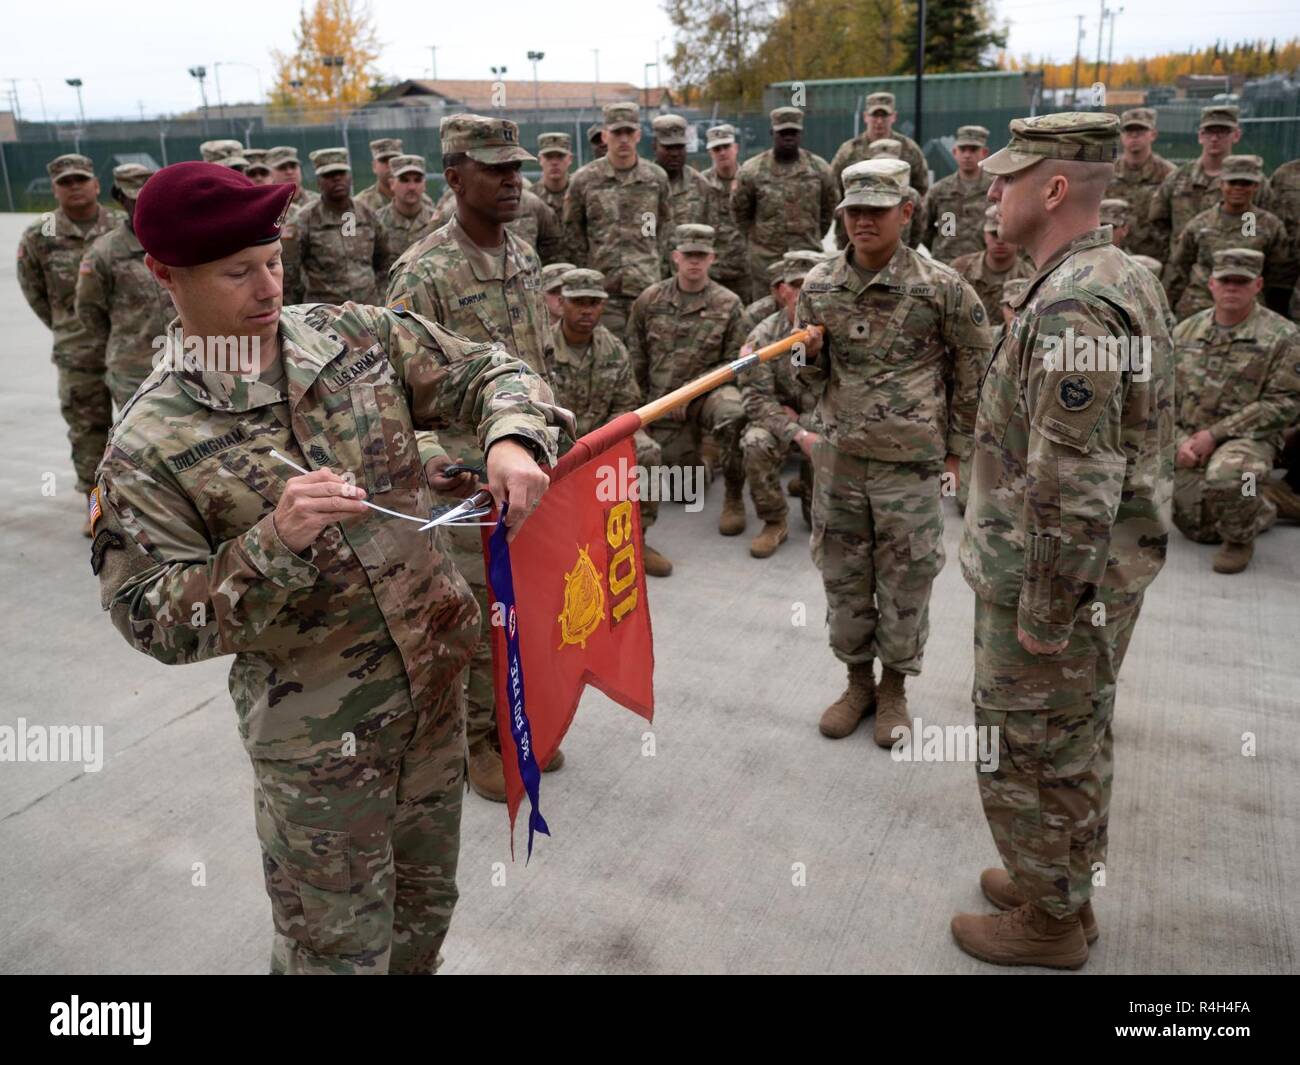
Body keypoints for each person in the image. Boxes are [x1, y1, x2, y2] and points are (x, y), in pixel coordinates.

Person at [91, 160, 567, 975]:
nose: (268, 288)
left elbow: (492, 368)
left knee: (425, 911)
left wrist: (511, 435)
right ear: (163, 275)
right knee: (336, 949)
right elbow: (149, 615)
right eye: (238, 272)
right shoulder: (149, 443)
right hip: (319, 746)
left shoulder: (352, 336)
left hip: (433, 691)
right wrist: (273, 542)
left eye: (273, 260)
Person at [953, 112, 1175, 970]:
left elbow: (1073, 482)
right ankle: (1059, 885)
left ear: (1052, 190)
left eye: (1009, 178)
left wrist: (1046, 608)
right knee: (1074, 735)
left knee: (1029, 744)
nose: (993, 189)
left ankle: (1048, 920)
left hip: (1053, 582)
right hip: (1095, 576)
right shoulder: (1119, 272)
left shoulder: (1076, 301)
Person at [386, 114, 560, 804]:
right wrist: (431, 456)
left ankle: (520, 716)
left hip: (527, 472)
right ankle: (479, 739)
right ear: (454, 178)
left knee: (529, 602)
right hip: (464, 486)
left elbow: (536, 364)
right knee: (480, 612)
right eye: (496, 169)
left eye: (517, 167)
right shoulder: (422, 274)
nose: (514, 180)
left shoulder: (525, 257)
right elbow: (389, 393)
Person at [796, 160, 990, 748]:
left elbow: (975, 372)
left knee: (906, 578)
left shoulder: (942, 287)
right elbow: (810, 381)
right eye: (853, 211)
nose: (863, 221)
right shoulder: (819, 285)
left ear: (906, 213)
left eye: (876, 211)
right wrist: (804, 353)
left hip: (912, 464)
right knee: (843, 574)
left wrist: (957, 454)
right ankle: (857, 682)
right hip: (841, 460)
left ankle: (895, 689)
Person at [1170, 248, 1300, 572]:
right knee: (1196, 527)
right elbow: (1162, 397)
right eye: (1225, 280)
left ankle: (1240, 539)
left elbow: (1285, 404)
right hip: (1190, 437)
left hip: (1248, 440)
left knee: (1232, 476)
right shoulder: (1185, 332)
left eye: (1241, 282)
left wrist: (1215, 436)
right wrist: (1178, 442)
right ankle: (1267, 502)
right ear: (1211, 284)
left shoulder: (1283, 336)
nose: (1232, 288)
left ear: (1257, 285)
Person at [16, 152, 122, 531]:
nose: (74, 187)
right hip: (77, 354)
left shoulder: (121, 224)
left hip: (127, 348)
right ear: (55, 189)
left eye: (81, 179)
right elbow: (33, 291)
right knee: (87, 433)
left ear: (96, 184)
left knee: (137, 432)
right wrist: (65, 327)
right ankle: (95, 510)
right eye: (65, 182)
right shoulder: (41, 232)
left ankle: (141, 507)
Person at [627, 224, 753, 537]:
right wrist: (639, 412)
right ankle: (708, 459)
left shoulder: (729, 304)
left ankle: (734, 495)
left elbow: (735, 364)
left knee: (733, 413)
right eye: (688, 255)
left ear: (712, 258)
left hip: (706, 395)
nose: (694, 261)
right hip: (661, 401)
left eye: (701, 255)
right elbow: (636, 358)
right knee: (684, 490)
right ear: (675, 257)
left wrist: (692, 391)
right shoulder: (650, 299)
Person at [549, 267, 672, 576]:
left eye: (594, 302)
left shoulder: (614, 349)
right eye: (579, 302)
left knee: (647, 451)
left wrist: (602, 440)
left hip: (602, 436)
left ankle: (636, 538)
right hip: (552, 438)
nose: (587, 310)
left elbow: (626, 404)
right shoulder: (542, 347)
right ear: (562, 303)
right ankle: (556, 545)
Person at [738, 251, 825, 556]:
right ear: (783, 290)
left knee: (821, 523)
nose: (805, 293)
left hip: (823, 420)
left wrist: (808, 422)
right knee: (755, 441)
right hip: (782, 424)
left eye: (815, 284)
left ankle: (819, 503)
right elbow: (755, 400)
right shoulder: (761, 338)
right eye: (798, 285)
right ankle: (774, 521)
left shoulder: (838, 332)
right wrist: (797, 432)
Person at [563, 101, 672, 338]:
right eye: (616, 132)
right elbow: (573, 232)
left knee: (650, 354)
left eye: (629, 132)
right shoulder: (585, 180)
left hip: (647, 287)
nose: (623, 139)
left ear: (638, 135)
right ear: (605, 136)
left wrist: (654, 266)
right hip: (603, 290)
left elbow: (664, 228)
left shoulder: (655, 178)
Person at [75, 163, 175, 409]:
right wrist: (127, 345)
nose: (143, 205)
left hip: (188, 363)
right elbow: (88, 310)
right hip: (134, 372)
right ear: (120, 197)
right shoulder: (103, 252)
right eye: (134, 198)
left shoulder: (179, 240)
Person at [1163, 154, 1290, 322]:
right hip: (1198, 309)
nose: (1238, 188)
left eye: (1245, 183)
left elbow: (1278, 275)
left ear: (1256, 186)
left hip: (1247, 312)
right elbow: (1179, 269)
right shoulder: (1200, 224)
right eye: (1232, 182)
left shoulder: (1268, 226)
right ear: (1221, 184)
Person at [731, 107, 836, 297]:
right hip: (766, 264)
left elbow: (829, 209)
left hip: (808, 260)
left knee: (809, 318)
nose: (788, 137)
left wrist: (812, 235)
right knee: (765, 315)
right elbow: (740, 212)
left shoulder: (819, 169)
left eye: (793, 133)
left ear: (800, 134)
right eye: (783, 133)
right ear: (772, 133)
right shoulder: (752, 170)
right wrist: (758, 242)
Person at [1150, 105, 1273, 260]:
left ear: (1236, 135)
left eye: (1222, 132)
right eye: (1209, 132)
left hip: (1236, 274)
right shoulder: (1177, 179)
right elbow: (1158, 222)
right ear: (1200, 136)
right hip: (1186, 275)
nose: (1214, 138)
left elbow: (1266, 225)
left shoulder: (1253, 183)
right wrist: (1174, 254)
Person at [281, 148, 384, 305]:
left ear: (350, 178)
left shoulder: (367, 215)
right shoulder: (304, 220)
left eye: (341, 173)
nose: (337, 179)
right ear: (318, 182)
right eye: (328, 175)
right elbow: (290, 274)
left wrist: (383, 297)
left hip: (368, 311)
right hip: (326, 315)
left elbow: (384, 260)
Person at [1105, 108, 1175, 262]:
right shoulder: (1107, 173)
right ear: (1121, 136)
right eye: (1129, 131)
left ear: (1153, 134)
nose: (1134, 136)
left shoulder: (1169, 174)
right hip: (1113, 259)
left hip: (1154, 259)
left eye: (1141, 130)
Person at [830, 92, 930, 198]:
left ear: (894, 117)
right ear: (865, 117)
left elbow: (921, 188)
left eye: (884, 116)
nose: (879, 121)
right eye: (874, 115)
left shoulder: (908, 149)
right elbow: (833, 186)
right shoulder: (849, 150)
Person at [918, 125, 992, 263]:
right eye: (963, 149)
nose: (967, 155)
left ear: (984, 152)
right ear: (954, 152)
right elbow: (923, 228)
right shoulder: (940, 190)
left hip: (982, 266)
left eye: (973, 149)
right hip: (946, 265)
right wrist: (940, 248)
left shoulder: (994, 189)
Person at [949, 203, 1035, 321]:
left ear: (1018, 238)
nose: (1000, 241)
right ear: (985, 236)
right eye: (994, 234)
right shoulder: (959, 269)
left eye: (1006, 235)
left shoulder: (1029, 279)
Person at [699, 123, 750, 303]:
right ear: (710, 153)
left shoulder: (750, 179)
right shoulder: (701, 184)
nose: (722, 152)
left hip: (746, 271)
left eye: (726, 147)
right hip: (713, 273)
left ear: (735, 148)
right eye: (716, 148)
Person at [375, 154, 440, 275]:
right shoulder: (377, 222)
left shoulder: (438, 222)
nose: (411, 187)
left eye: (417, 180)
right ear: (392, 184)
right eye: (404, 180)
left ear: (424, 184)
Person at [354, 137, 403, 214]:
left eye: (394, 160)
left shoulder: (419, 201)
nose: (390, 165)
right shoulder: (360, 204)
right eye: (384, 160)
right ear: (374, 166)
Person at [266, 146, 319, 211]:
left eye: (293, 166)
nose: (289, 172)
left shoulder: (317, 201)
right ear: (270, 173)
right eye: (282, 167)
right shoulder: (266, 205)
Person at [535, 131, 573, 219]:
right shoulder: (531, 199)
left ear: (570, 159)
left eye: (560, 156)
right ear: (540, 160)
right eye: (549, 156)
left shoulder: (580, 193)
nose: (554, 162)